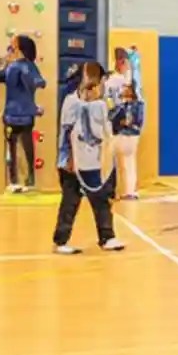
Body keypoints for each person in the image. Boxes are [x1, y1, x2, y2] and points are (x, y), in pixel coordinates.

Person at [53, 61, 124, 254]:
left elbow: (105, 130)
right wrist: (69, 160)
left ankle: (107, 237)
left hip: (93, 162)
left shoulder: (101, 104)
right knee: (70, 200)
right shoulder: (71, 102)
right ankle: (61, 240)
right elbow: (67, 131)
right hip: (73, 162)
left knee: (101, 200)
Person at [0, 34, 47, 193]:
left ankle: (29, 180)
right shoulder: (12, 66)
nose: (11, 50)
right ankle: (14, 180)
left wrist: (29, 79)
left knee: (26, 146)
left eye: (13, 47)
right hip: (11, 114)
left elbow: (39, 82)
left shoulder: (27, 66)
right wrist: (1, 62)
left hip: (24, 114)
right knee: (12, 148)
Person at [111, 82, 146, 200]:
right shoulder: (136, 105)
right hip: (130, 136)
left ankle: (127, 190)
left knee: (125, 165)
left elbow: (113, 119)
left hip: (126, 136)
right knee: (128, 164)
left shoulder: (125, 106)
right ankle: (128, 190)